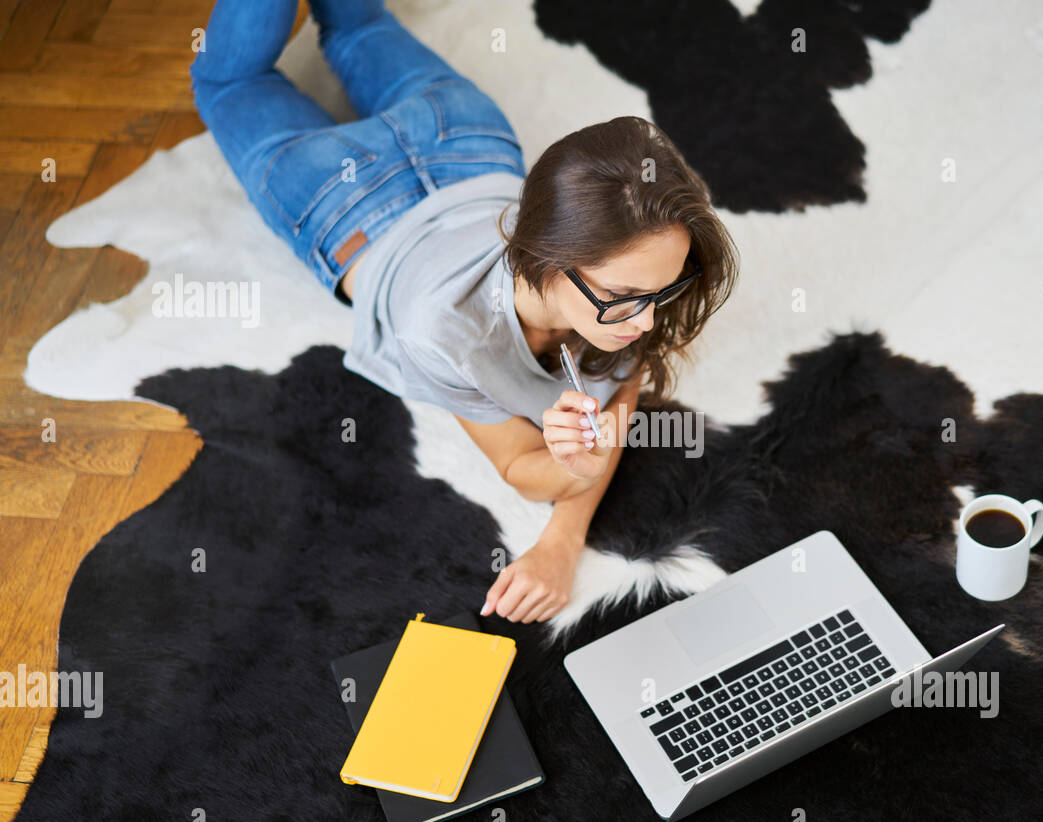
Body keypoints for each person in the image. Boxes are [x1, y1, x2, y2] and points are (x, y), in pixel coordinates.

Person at [190, 0, 738, 624]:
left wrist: (570, 477)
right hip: (343, 203)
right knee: (230, 79)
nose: (645, 323)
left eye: (663, 292)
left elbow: (535, 460)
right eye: (624, 301)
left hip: (463, 140)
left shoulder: (625, 288)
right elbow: (517, 462)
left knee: (359, 27)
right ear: (550, 256)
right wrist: (567, 520)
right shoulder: (445, 334)